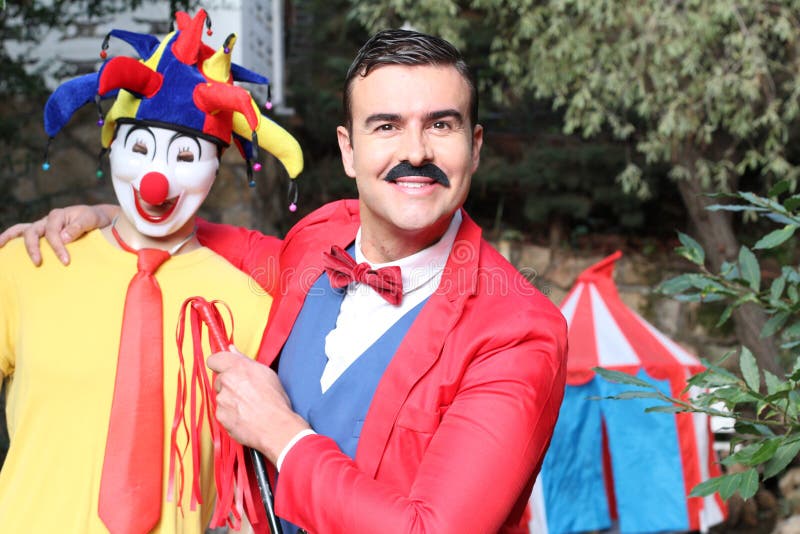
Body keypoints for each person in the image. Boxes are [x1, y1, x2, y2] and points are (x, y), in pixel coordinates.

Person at [3, 29, 568, 533]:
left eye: (440, 125)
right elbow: (212, 240)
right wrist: (109, 215)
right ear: (349, 150)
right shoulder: (319, 238)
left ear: (475, 146)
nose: (414, 152)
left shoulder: (520, 330)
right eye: (386, 126)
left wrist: (281, 435)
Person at [0, 9, 303, 534]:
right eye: (139, 148)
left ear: (215, 169)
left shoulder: (255, 309)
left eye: (186, 156)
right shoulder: (30, 261)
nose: (156, 180)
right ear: (112, 146)